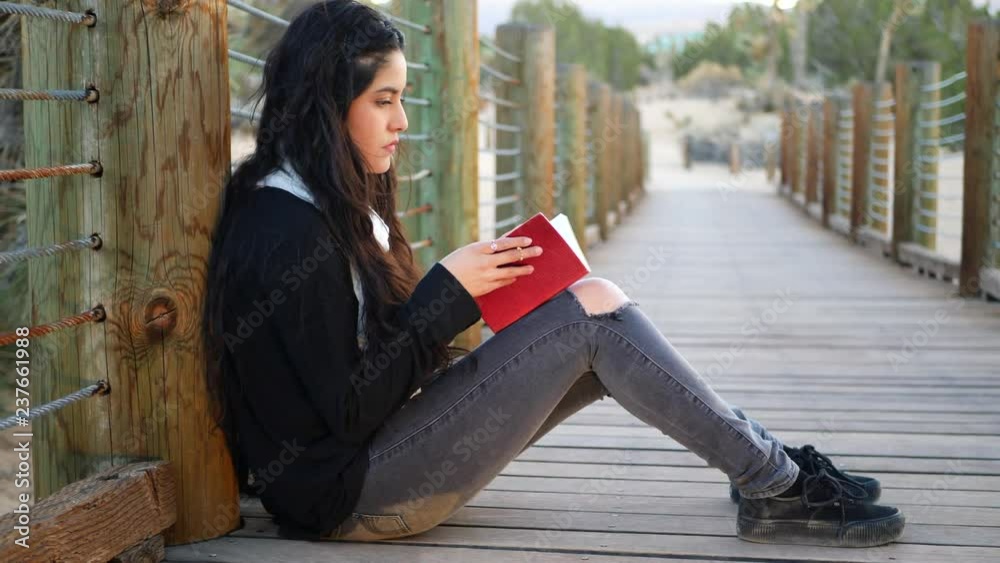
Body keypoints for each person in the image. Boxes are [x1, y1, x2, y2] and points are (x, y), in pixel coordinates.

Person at [202, 0, 904, 549]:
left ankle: (763, 462)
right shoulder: (286, 230)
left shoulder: (328, 196)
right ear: (329, 104)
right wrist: (447, 297)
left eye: (402, 97)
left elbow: (366, 365)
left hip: (369, 453)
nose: (401, 121)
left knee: (589, 300)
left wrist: (485, 295)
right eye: (383, 101)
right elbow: (348, 411)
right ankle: (773, 481)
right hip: (344, 494)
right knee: (592, 319)